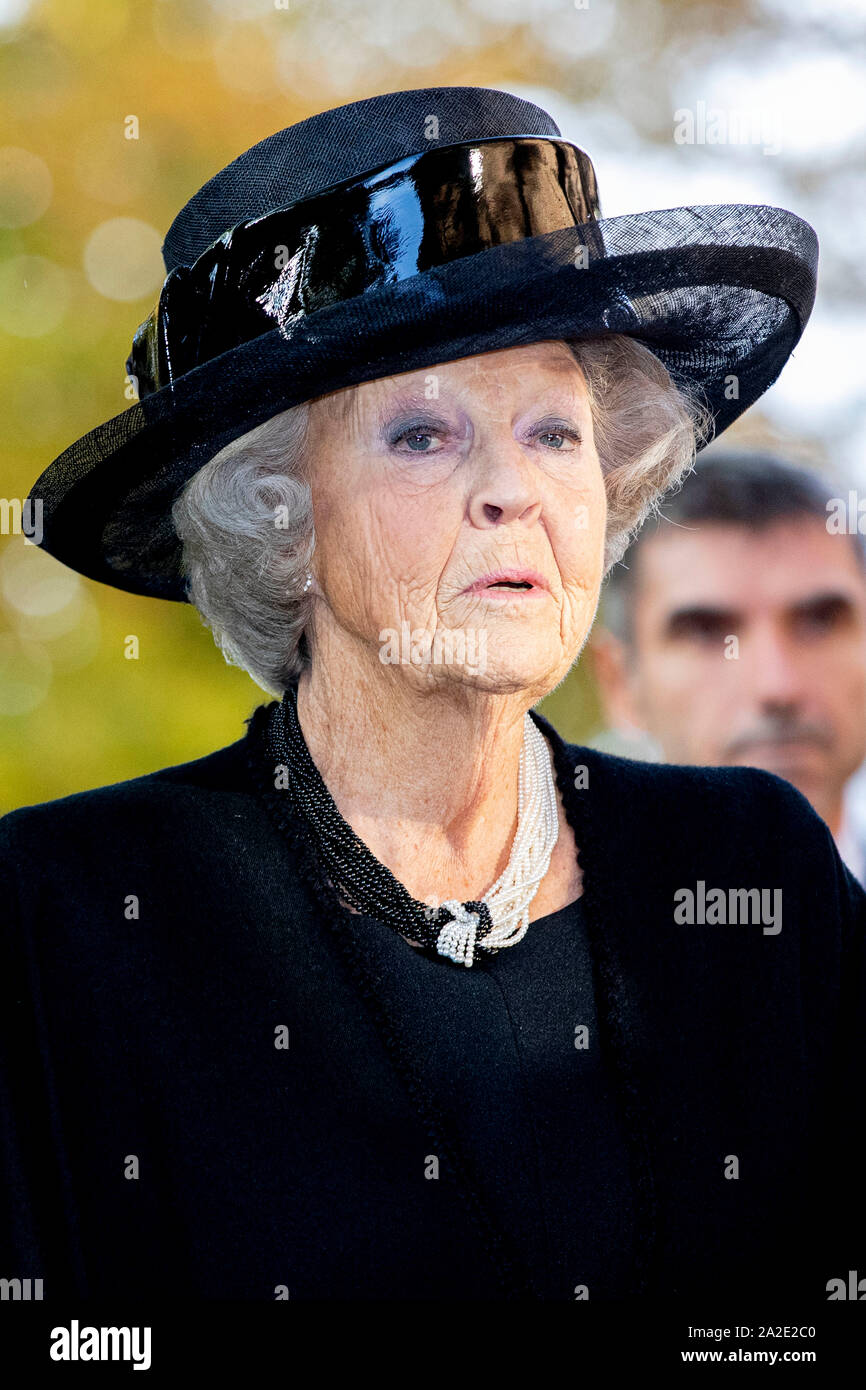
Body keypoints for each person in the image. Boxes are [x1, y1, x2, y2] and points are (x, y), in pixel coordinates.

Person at [1, 85, 861, 1304]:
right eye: (422, 434)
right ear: (282, 517)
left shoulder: (750, 867)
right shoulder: (64, 914)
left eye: (554, 433)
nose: (511, 487)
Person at [592, 450, 866, 883]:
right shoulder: (543, 937)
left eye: (820, 621)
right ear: (621, 682)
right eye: (705, 631)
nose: (777, 687)